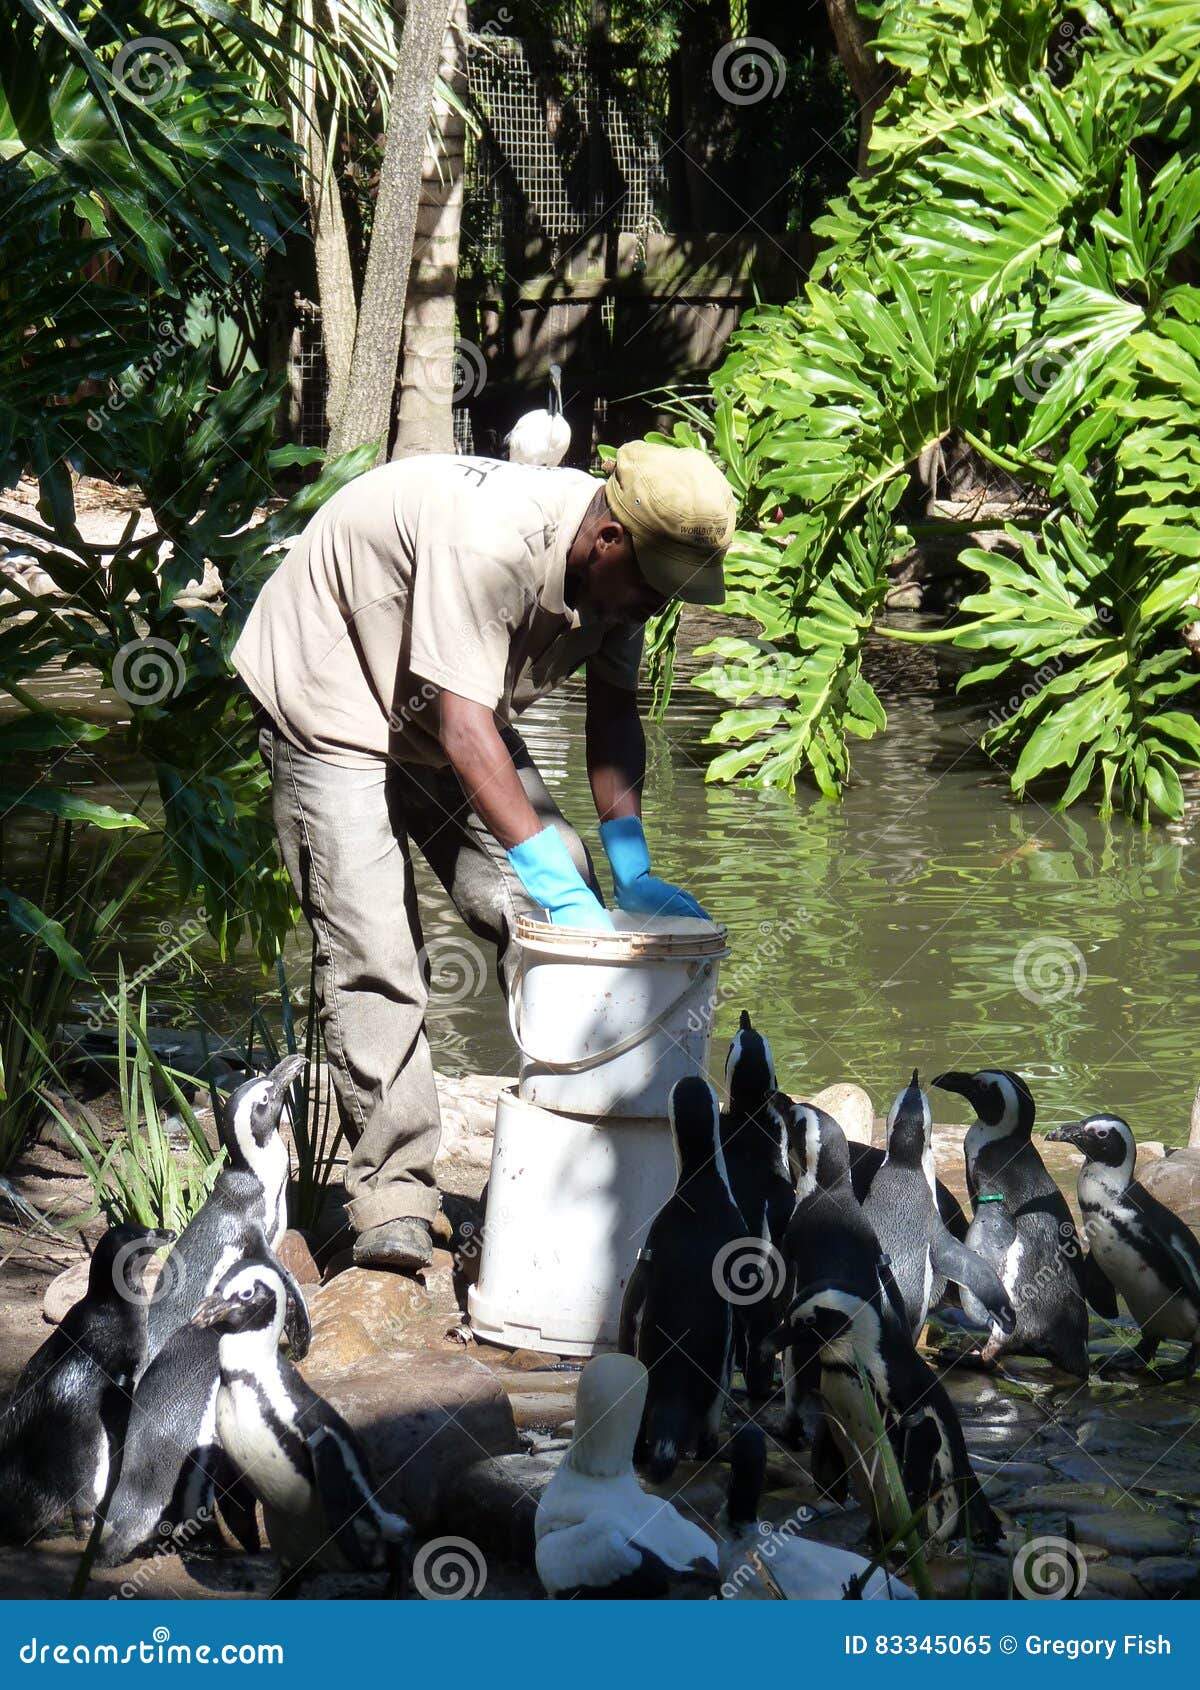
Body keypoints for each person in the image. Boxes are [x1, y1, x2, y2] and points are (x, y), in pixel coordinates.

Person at [232, 441, 737, 1272]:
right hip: (331, 694)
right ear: (607, 539)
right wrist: (544, 875)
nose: (650, 609)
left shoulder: (621, 589)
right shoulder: (494, 543)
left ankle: (578, 1152)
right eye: (648, 589)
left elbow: (613, 719)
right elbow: (468, 731)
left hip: (444, 701)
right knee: (377, 946)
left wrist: (627, 865)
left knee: (561, 900)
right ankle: (393, 1197)